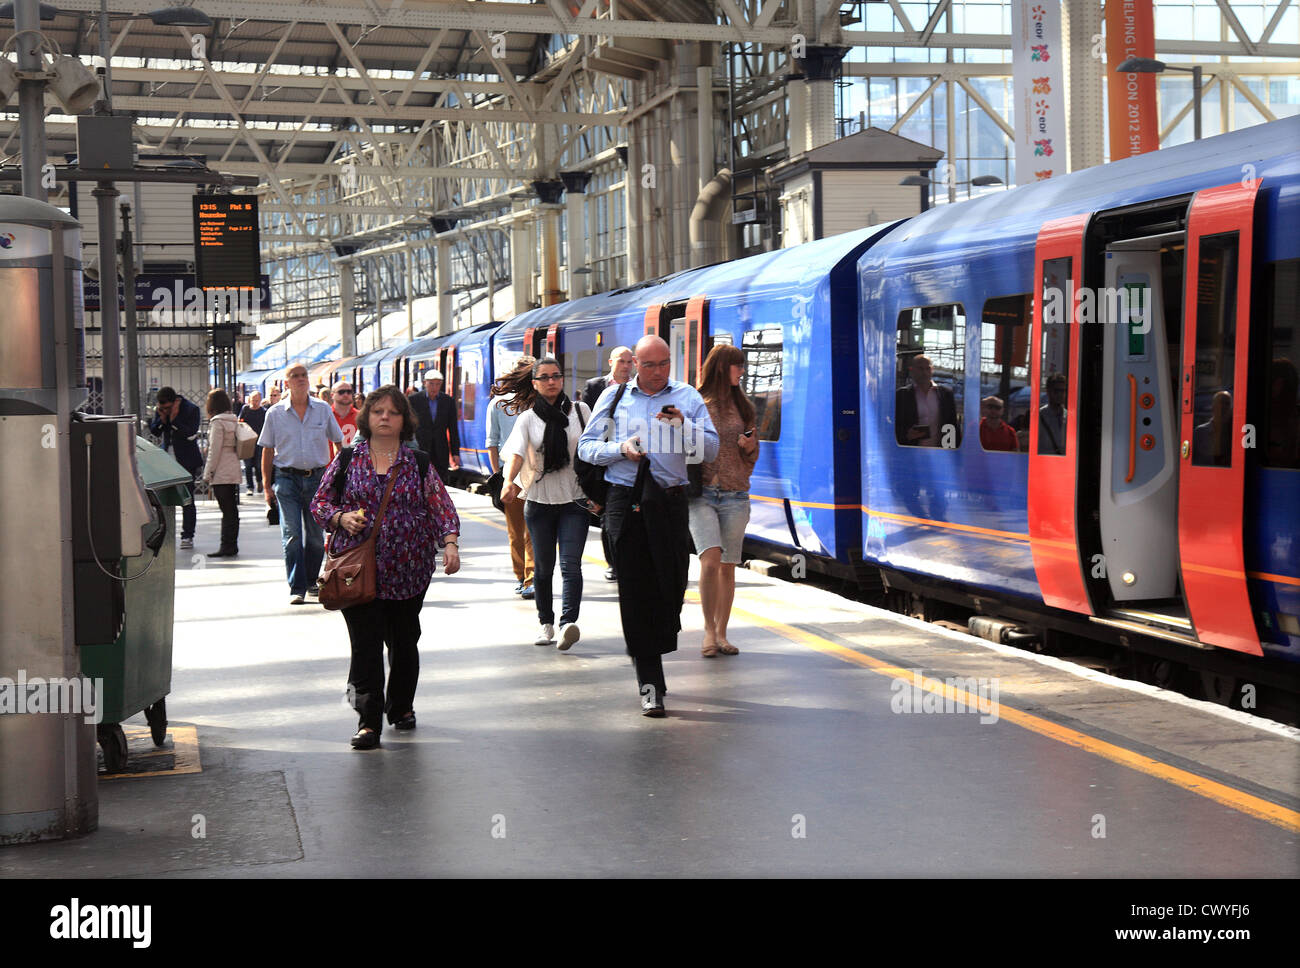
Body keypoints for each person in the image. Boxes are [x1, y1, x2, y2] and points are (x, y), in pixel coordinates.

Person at [311, 386, 461, 750]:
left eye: (393, 413)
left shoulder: (418, 462)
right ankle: (368, 722)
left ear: (403, 420)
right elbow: (319, 503)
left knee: (405, 641)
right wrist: (340, 517)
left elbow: (442, 508)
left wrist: (451, 543)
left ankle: (402, 707)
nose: (384, 418)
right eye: (378, 411)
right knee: (365, 645)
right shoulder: (348, 459)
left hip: (409, 569)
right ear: (367, 417)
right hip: (356, 569)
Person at [577, 334, 718, 716]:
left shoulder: (687, 398)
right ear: (635, 364)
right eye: (649, 365)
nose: (657, 372)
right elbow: (586, 448)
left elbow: (710, 449)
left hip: (670, 502)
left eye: (664, 363)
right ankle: (650, 682)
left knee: (671, 588)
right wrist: (620, 450)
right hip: (626, 500)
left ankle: (654, 642)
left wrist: (683, 425)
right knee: (636, 591)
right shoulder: (615, 397)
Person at [502, 357, 592, 649]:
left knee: (571, 565)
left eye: (556, 376)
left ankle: (568, 623)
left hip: (574, 501)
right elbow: (515, 453)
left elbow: (594, 447)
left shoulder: (581, 411)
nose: (552, 381)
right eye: (545, 377)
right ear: (535, 383)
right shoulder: (528, 418)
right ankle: (546, 623)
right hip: (539, 502)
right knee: (542, 568)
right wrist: (509, 482)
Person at [691, 345, 758, 658]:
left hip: (735, 493)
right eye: (737, 366)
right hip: (702, 493)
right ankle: (707, 630)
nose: (741, 371)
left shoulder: (743, 407)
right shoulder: (695, 402)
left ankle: (722, 632)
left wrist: (748, 447)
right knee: (710, 560)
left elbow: (753, 454)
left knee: (728, 566)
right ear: (721, 367)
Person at [259, 362, 344, 605]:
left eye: (303, 375)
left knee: (316, 537)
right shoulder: (274, 414)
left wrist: (337, 476)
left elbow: (339, 443)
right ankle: (297, 587)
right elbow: (267, 450)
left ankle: (310, 581)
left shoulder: (322, 409)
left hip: (318, 480)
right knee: (292, 535)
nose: (300, 379)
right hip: (286, 479)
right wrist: (267, 487)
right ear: (287, 383)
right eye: (294, 376)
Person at [581, 346, 635, 582]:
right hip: (601, 456)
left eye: (629, 361)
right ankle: (613, 562)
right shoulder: (595, 387)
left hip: (628, 457)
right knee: (605, 513)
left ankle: (626, 561)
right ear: (611, 362)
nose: (626, 365)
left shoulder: (637, 389)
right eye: (621, 361)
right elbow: (586, 423)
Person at [486, 356, 537, 600]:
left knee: (521, 531)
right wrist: (500, 476)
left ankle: (528, 577)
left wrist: (497, 472)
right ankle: (524, 577)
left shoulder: (501, 403)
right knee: (525, 531)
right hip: (519, 475)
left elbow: (491, 443)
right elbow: (493, 441)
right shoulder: (501, 404)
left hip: (520, 475)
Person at [149, 387, 204, 550]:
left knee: (187, 498)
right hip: (167, 459)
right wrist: (163, 419)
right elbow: (155, 431)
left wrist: (174, 421)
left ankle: (187, 535)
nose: (164, 410)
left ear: (175, 402)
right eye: (161, 408)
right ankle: (163, 533)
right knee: (163, 498)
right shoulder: (161, 410)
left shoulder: (190, 409)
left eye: (167, 408)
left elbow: (190, 432)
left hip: (187, 459)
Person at [202, 389, 242, 558]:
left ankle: (227, 545)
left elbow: (214, 450)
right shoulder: (233, 420)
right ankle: (232, 543)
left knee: (226, 510)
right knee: (232, 509)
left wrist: (207, 473)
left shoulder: (217, 422)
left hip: (221, 471)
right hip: (233, 467)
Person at [895, 354, 959, 447]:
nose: (924, 372)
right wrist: (906, 435)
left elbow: (952, 425)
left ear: (932, 370)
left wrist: (954, 453)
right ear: (912, 370)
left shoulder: (945, 394)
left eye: (927, 368)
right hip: (911, 452)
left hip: (939, 453)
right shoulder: (902, 395)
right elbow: (895, 426)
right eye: (920, 368)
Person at [408, 370, 461, 482]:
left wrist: (455, 452)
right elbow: (408, 425)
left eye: (437, 384)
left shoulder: (448, 401)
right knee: (420, 480)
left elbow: (453, 429)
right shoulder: (414, 400)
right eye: (431, 383)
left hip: (441, 450)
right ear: (424, 383)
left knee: (440, 482)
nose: (434, 387)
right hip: (419, 448)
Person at [238, 390, 267, 494]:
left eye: (257, 400)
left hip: (259, 442)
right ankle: (250, 487)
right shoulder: (245, 409)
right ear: (249, 399)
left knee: (259, 465)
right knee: (248, 465)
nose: (255, 402)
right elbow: (240, 422)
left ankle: (259, 481)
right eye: (253, 400)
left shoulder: (263, 412)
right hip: (247, 442)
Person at [329, 379, 360, 459]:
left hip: (353, 467)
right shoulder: (324, 416)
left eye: (349, 392)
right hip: (327, 468)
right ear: (332, 395)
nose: (346, 395)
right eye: (341, 392)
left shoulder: (361, 417)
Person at [1038, 373, 1068, 455]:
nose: (1060, 394)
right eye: (1056, 391)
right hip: (1044, 463)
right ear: (1048, 391)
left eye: (1063, 391)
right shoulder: (1039, 416)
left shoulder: (1070, 417)